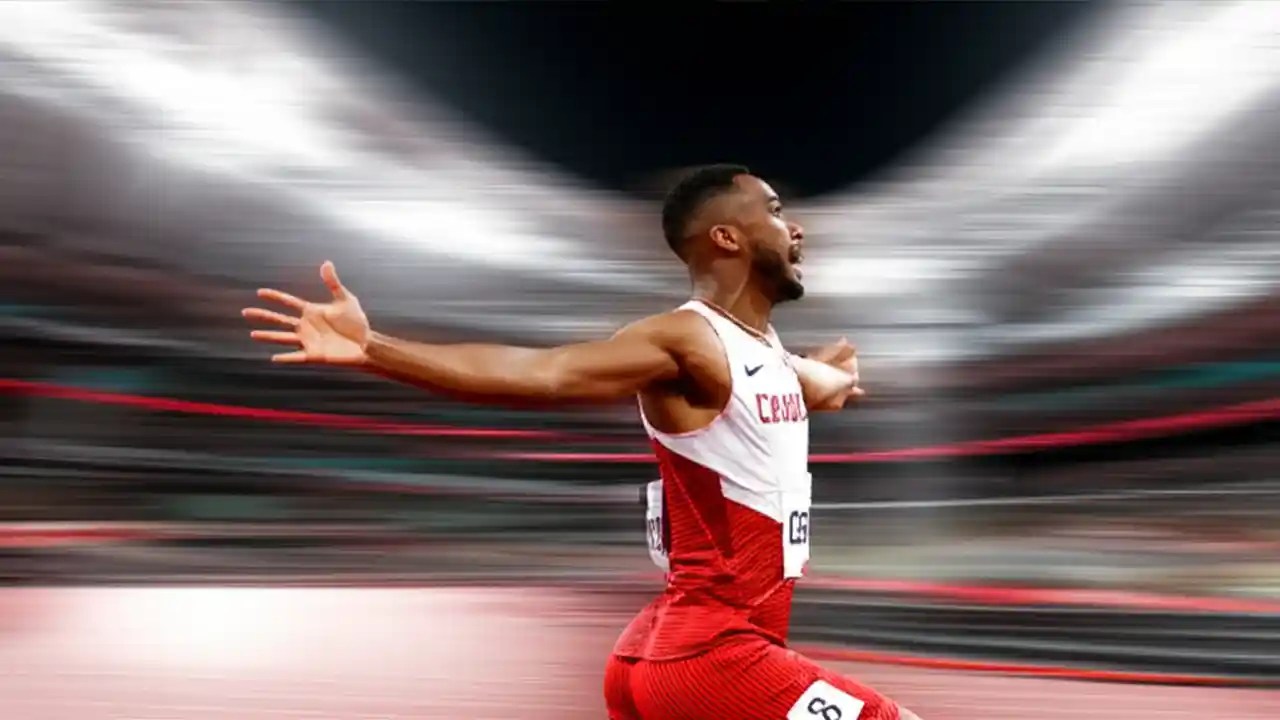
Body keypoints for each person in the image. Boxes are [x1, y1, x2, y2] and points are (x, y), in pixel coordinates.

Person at [243, 164, 921, 720]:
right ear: (727, 237)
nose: (796, 227)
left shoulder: (767, 356)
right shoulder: (686, 341)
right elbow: (542, 373)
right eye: (774, 210)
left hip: (660, 652)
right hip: (709, 658)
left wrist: (837, 375)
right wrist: (374, 349)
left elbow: (816, 383)